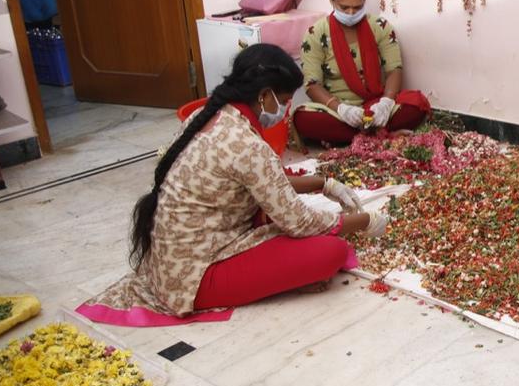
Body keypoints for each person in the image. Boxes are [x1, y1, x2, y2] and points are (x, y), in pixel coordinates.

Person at [77, 44, 388, 326]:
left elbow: (269, 182)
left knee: (284, 225)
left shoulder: (207, 114)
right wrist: (365, 221)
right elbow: (301, 222)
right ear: (264, 96)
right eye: (283, 101)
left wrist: (325, 184)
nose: (284, 111)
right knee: (331, 250)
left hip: (172, 261)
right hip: (195, 278)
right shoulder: (248, 146)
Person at [293, 0, 430, 145]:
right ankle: (378, 134)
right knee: (303, 119)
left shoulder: (379, 27)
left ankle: (355, 137)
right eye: (344, 7)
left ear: (364, 1)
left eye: (357, 7)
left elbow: (394, 70)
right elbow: (312, 85)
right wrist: (342, 109)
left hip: (373, 106)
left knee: (416, 104)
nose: (351, 13)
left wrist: (386, 103)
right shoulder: (316, 33)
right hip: (336, 111)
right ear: (331, 0)